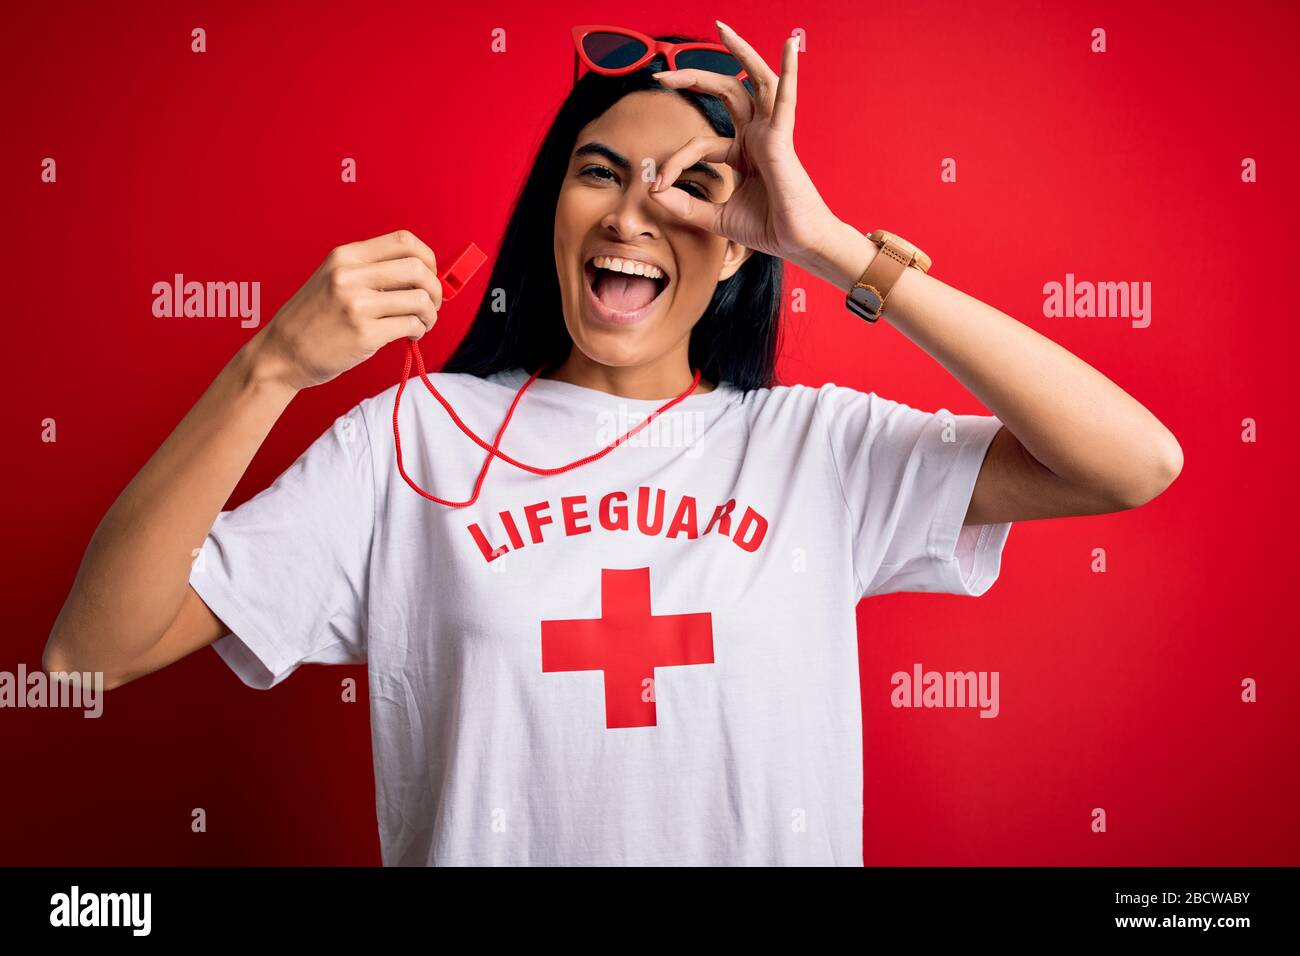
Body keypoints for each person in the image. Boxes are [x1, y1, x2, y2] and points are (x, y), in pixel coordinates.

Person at [43, 24, 1182, 866]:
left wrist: (832, 247)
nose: (635, 214)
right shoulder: (416, 437)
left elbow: (1131, 461)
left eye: (694, 189)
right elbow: (88, 655)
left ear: (742, 244)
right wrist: (268, 368)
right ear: (555, 209)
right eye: (599, 172)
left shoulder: (814, 447)